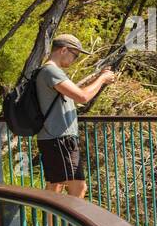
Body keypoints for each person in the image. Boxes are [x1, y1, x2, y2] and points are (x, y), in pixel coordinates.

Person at [36, 33, 116, 201]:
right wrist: (102, 79)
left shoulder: (48, 71)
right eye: (75, 55)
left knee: (55, 187)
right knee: (78, 187)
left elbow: (75, 94)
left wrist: (98, 77)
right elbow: (82, 97)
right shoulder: (51, 71)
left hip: (53, 137)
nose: (75, 59)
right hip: (59, 138)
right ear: (64, 50)